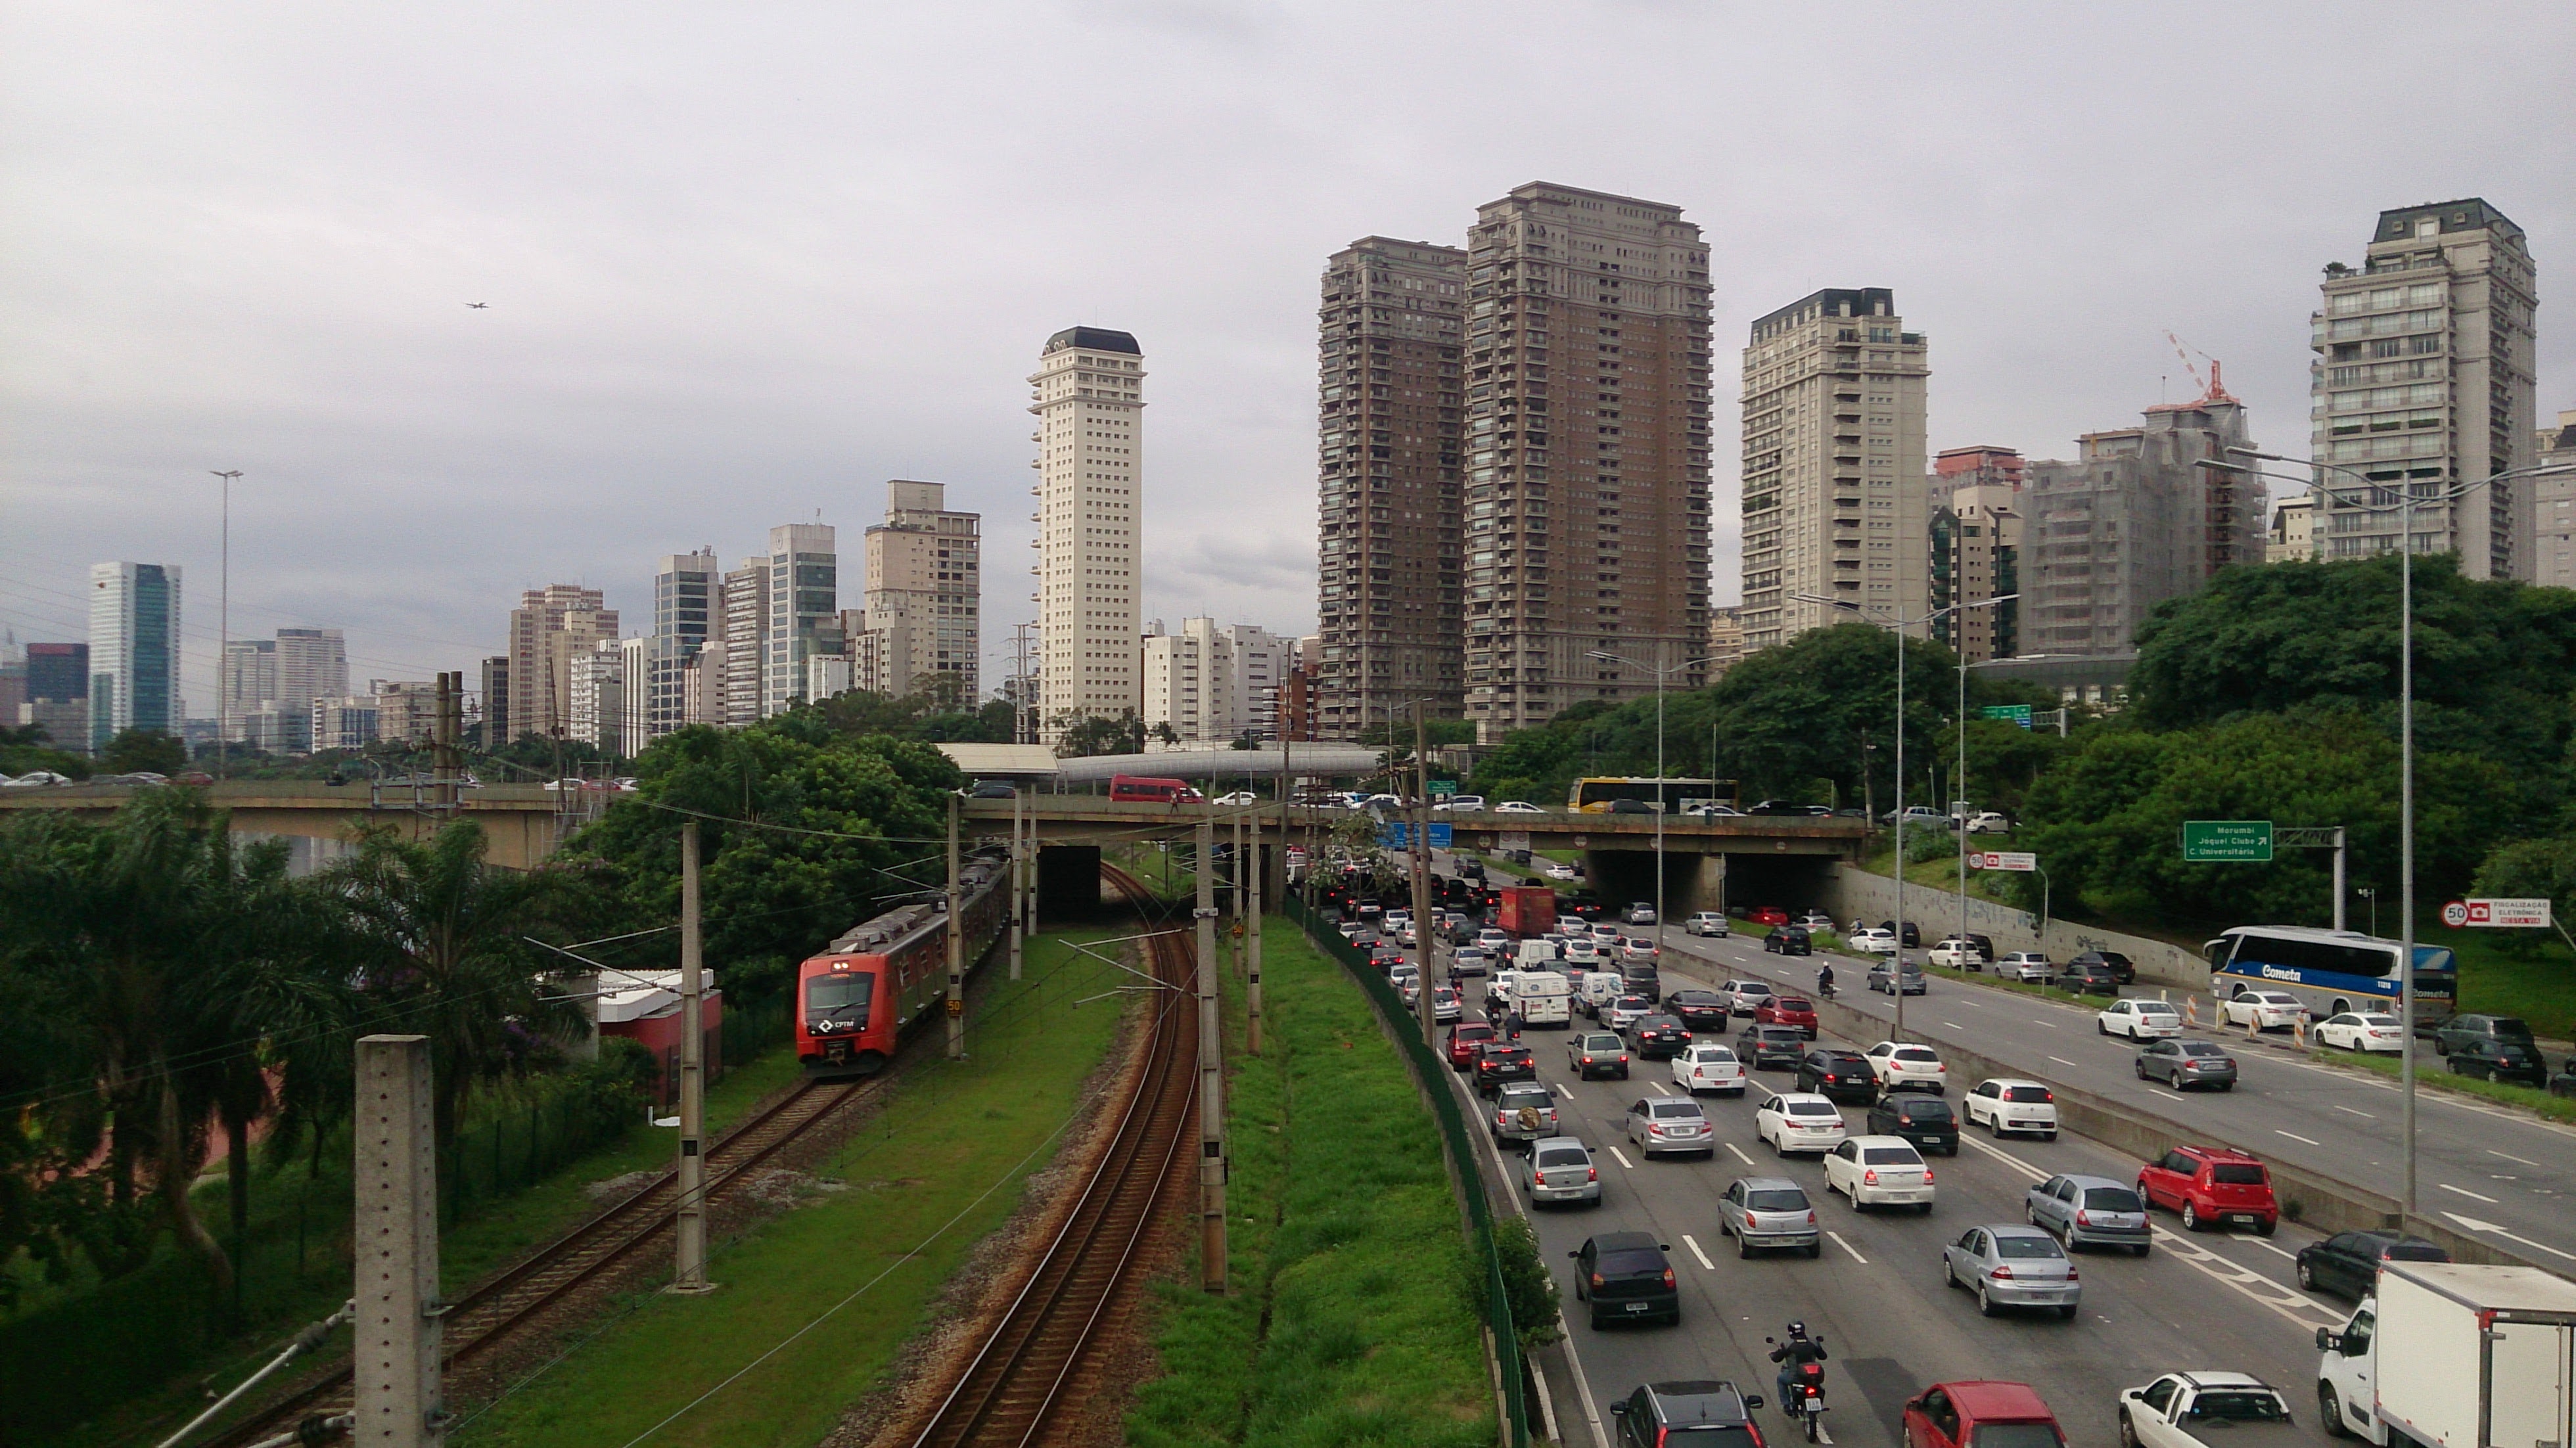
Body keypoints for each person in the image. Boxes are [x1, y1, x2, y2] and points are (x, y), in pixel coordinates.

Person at [1771, 1322, 1828, 1407]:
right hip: (1813, 1377)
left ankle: (1786, 1405)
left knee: (1780, 1379)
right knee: (1819, 1388)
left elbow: (1776, 1359)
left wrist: (1774, 1354)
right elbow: (1823, 1356)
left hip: (1795, 1377)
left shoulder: (1788, 1345)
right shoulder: (1814, 1342)